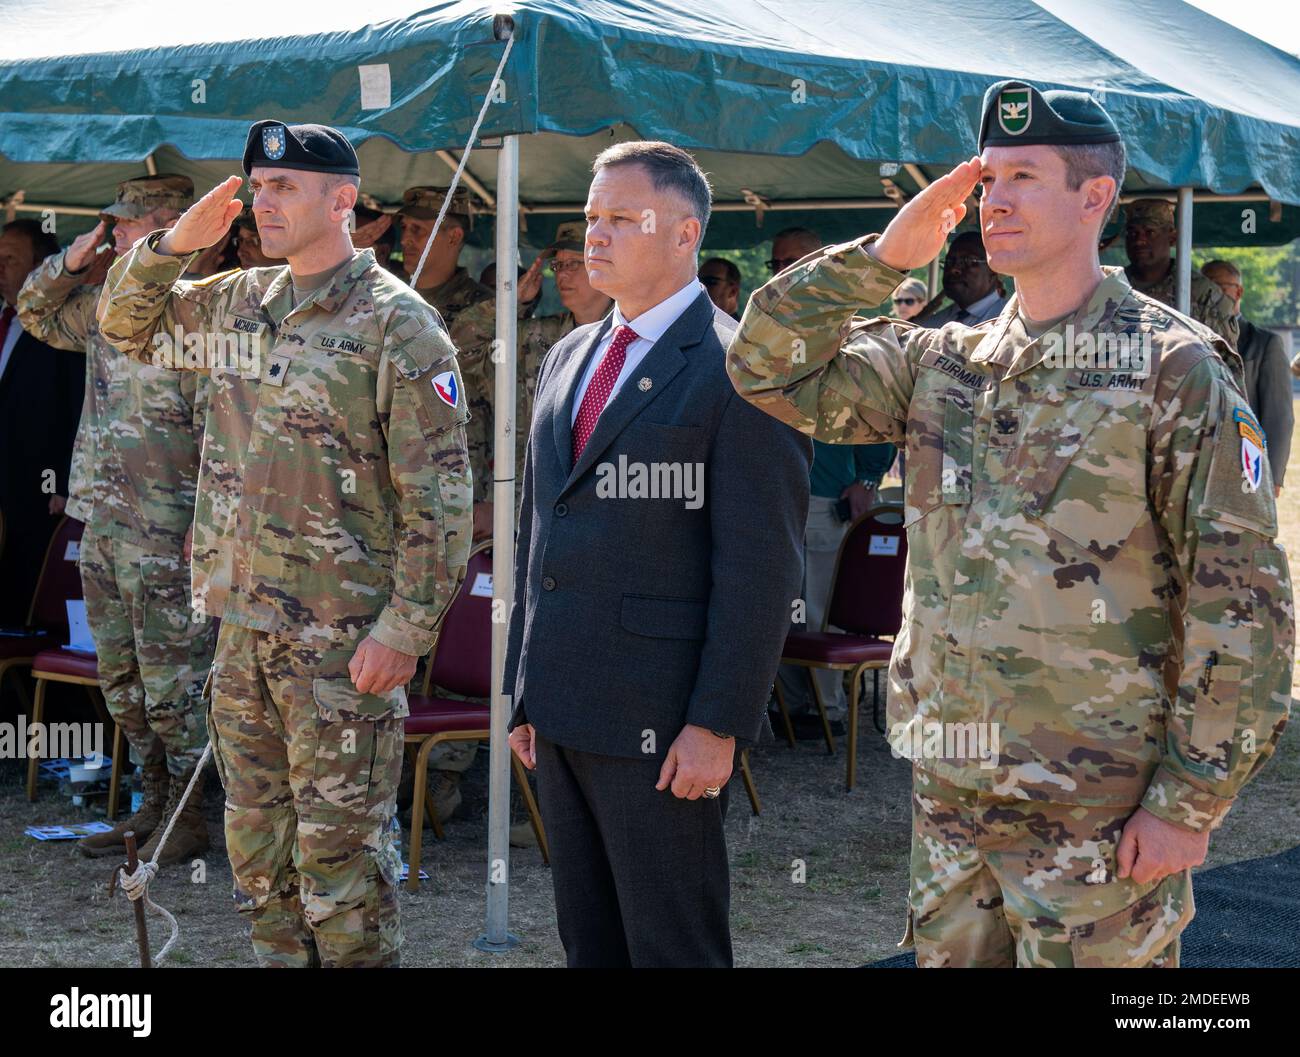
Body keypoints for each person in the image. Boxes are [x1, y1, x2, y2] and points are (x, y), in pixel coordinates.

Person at [727, 81, 1292, 968]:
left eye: (1024, 176)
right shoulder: (943, 357)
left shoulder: (1171, 366)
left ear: (1095, 198)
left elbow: (1244, 602)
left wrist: (1189, 801)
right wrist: (880, 259)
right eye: (988, 180)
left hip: (1096, 800)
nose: (996, 201)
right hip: (953, 788)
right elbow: (764, 369)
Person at [97, 120, 472, 968]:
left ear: (342, 201)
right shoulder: (237, 300)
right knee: (259, 867)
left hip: (343, 643)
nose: (263, 203)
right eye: (257, 187)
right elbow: (124, 328)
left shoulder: (399, 326)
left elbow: (441, 500)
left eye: (285, 189)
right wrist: (168, 244)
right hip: (242, 634)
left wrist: (405, 631)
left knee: (339, 873)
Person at [505, 140, 811, 967]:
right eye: (590, 217)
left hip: (662, 714)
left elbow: (760, 568)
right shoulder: (570, 354)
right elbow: (540, 530)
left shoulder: (743, 366)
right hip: (565, 705)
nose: (593, 237)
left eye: (619, 218)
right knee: (591, 942)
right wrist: (523, 688)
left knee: (672, 945)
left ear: (684, 234)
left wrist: (718, 723)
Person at [17, 176, 216, 866]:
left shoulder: (203, 313)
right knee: (122, 682)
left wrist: (210, 523)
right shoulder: (107, 305)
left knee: (174, 686)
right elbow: (35, 313)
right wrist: (70, 264)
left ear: (170, 229)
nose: (117, 237)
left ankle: (190, 815)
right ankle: (152, 803)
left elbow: (230, 433)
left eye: (128, 227)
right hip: (102, 524)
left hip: (169, 529)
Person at [764, 230, 896, 739]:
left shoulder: (846, 328)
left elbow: (879, 414)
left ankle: (829, 712)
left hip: (825, 497)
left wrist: (867, 478)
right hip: (777, 495)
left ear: (816, 264)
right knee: (780, 610)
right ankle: (792, 708)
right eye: (777, 261)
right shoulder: (762, 330)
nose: (782, 271)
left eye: (793, 261)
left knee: (818, 608)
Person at [0, 220, 83, 625]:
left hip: (39, 484)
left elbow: (76, 406)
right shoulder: (3, 321)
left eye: (10, 259)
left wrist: (65, 481)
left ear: (39, 266)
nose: (0, 268)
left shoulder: (61, 328)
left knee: (26, 591)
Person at [1202, 259, 1292, 494]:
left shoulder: (1264, 344)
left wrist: (1273, 478)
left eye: (1216, 286)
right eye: (1202, 287)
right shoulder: (1187, 340)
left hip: (1246, 467)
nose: (1209, 295)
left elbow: (1279, 416)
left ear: (1238, 291)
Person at [1123, 198, 1239, 350]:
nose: (1139, 241)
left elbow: (1225, 364)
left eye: (1150, 232)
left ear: (1172, 238)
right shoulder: (1113, 288)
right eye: (1132, 233)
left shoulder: (1203, 295)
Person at [397, 185, 491, 321]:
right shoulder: (388, 291)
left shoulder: (485, 310)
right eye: (404, 227)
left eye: (417, 228)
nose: (404, 240)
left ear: (454, 237)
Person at [914, 230, 1009, 327]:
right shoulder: (931, 325)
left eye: (968, 261)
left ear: (992, 269)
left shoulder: (1011, 322)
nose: (954, 269)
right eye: (950, 261)